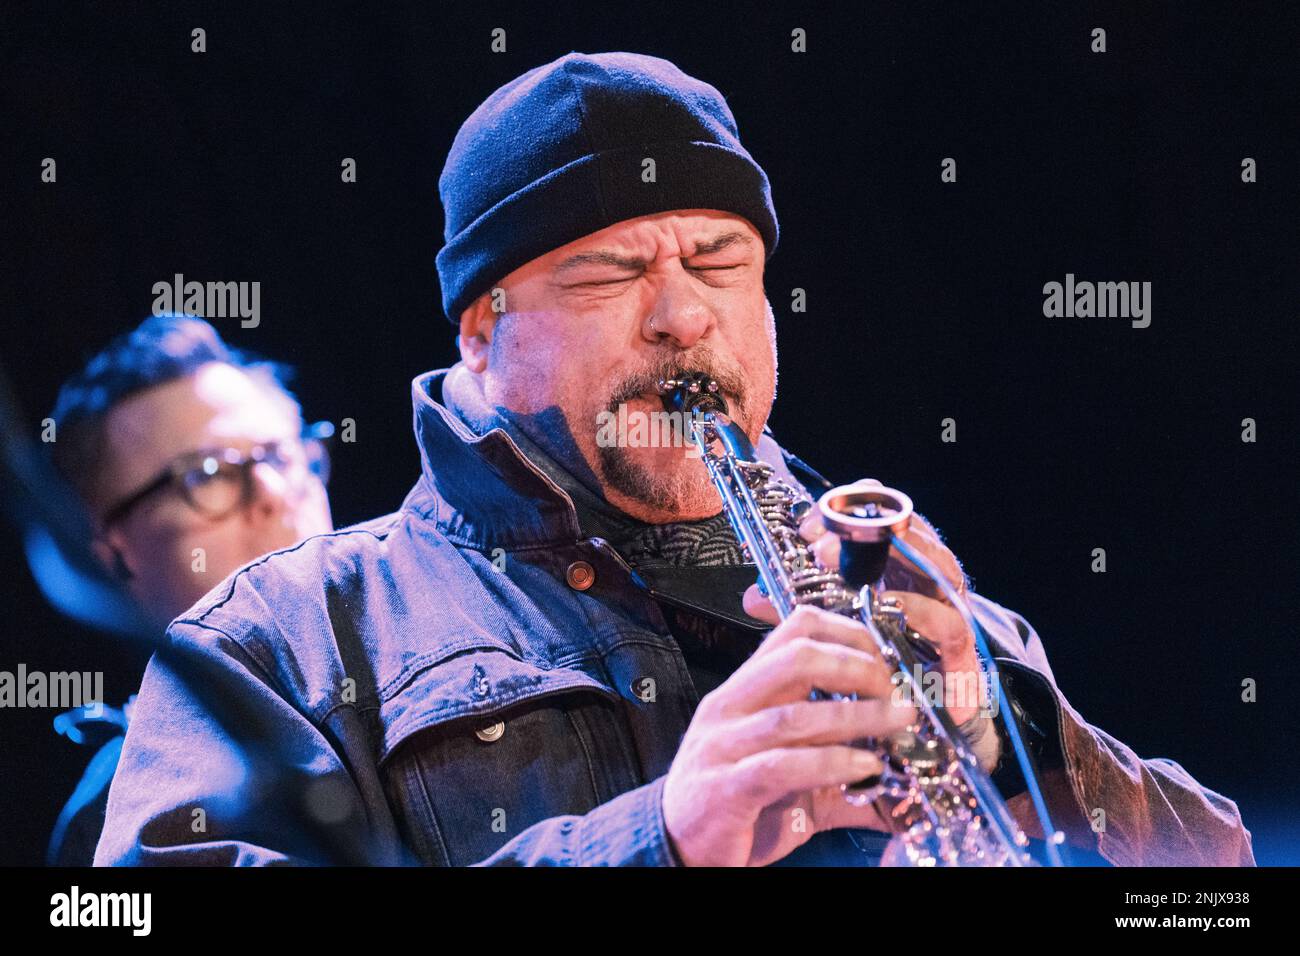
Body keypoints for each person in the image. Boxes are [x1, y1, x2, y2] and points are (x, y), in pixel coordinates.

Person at [96, 52, 1253, 867]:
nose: (682, 317)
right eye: (607, 272)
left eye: (716, 259)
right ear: (483, 329)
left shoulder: (891, 591)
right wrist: (656, 841)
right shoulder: (281, 635)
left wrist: (1011, 737)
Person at [44, 314, 334, 865]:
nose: (273, 493)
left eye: (279, 455)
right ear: (113, 559)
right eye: (206, 473)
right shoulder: (114, 816)